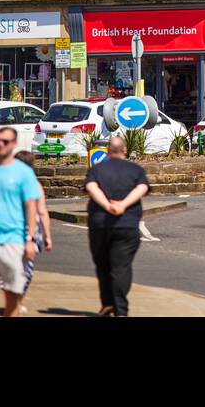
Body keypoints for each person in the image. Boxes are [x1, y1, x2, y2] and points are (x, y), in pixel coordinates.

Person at [0, 126, 42, 317]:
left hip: (13, 238)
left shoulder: (24, 173)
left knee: (12, 293)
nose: (1, 144)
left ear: (14, 144)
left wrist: (30, 239)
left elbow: (31, 208)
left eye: (5, 141)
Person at [85, 135, 151, 316]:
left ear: (107, 151)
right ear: (125, 151)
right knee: (121, 267)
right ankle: (120, 309)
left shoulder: (97, 169)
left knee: (102, 265)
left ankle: (107, 303)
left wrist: (106, 206)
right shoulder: (135, 170)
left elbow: (92, 188)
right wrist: (122, 205)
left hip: (100, 224)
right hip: (126, 225)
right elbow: (142, 189)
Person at [1, 151, 54, 314]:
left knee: (11, 269)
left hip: (13, 231)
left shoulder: (10, 182)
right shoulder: (33, 184)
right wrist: (47, 236)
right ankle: (16, 302)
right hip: (27, 233)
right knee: (26, 271)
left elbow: (42, 210)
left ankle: (15, 302)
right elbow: (43, 211)